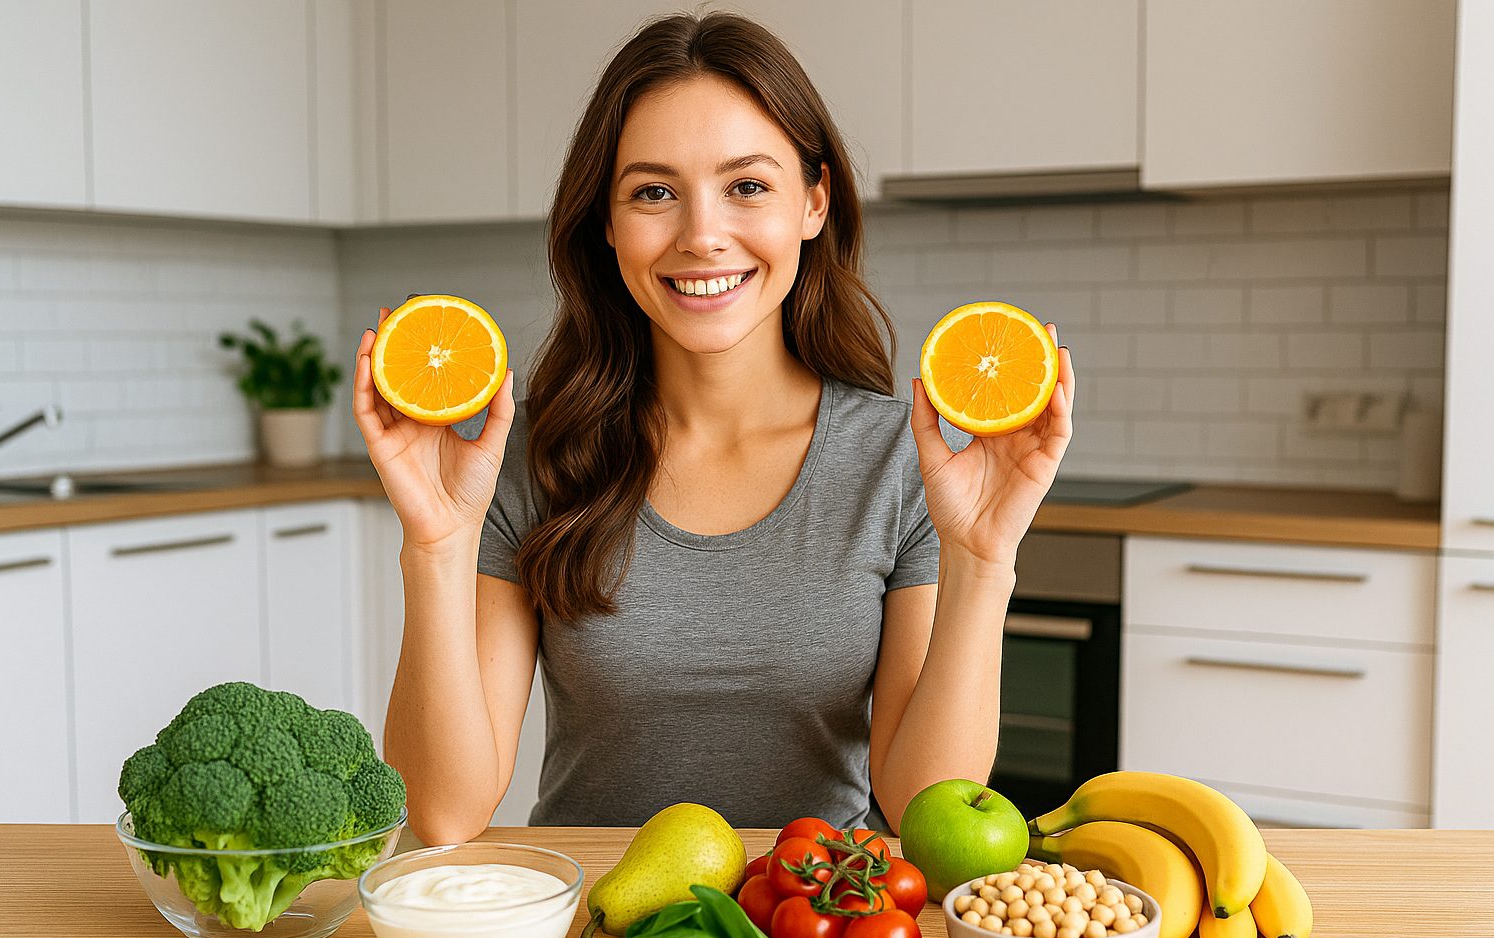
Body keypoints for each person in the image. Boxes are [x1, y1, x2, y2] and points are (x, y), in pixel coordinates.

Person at [351, 11, 1074, 844]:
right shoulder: (532, 459)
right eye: (654, 192)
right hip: (595, 923)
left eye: (748, 186)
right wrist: (437, 545)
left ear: (814, 201)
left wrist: (982, 562)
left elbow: (922, 808)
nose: (701, 235)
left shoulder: (899, 462)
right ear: (608, 225)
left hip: (817, 921)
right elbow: (443, 813)